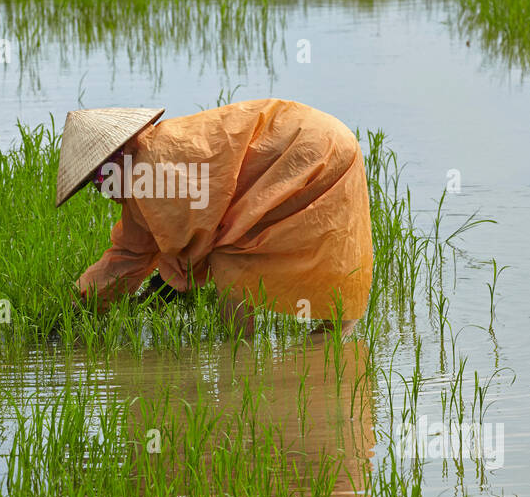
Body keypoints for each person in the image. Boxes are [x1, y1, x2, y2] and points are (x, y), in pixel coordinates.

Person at [56, 98, 375, 337]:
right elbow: (129, 255)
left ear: (123, 151)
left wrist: (164, 289)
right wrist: (73, 309)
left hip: (311, 149)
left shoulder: (155, 163)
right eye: (95, 184)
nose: (104, 188)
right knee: (262, 249)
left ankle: (240, 355)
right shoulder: (139, 181)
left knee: (229, 255)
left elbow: (195, 242)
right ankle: (318, 349)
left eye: (104, 176)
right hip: (323, 139)